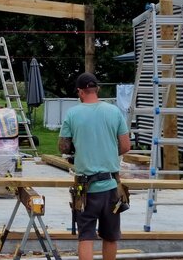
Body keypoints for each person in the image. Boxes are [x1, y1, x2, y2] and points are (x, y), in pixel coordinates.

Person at [58, 72, 130, 260]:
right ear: (96, 89)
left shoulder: (73, 113)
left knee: (86, 237)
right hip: (111, 186)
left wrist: (78, 149)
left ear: (81, 92)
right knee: (110, 237)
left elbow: (63, 146)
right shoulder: (114, 111)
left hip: (85, 188)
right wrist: (106, 153)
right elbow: (125, 146)